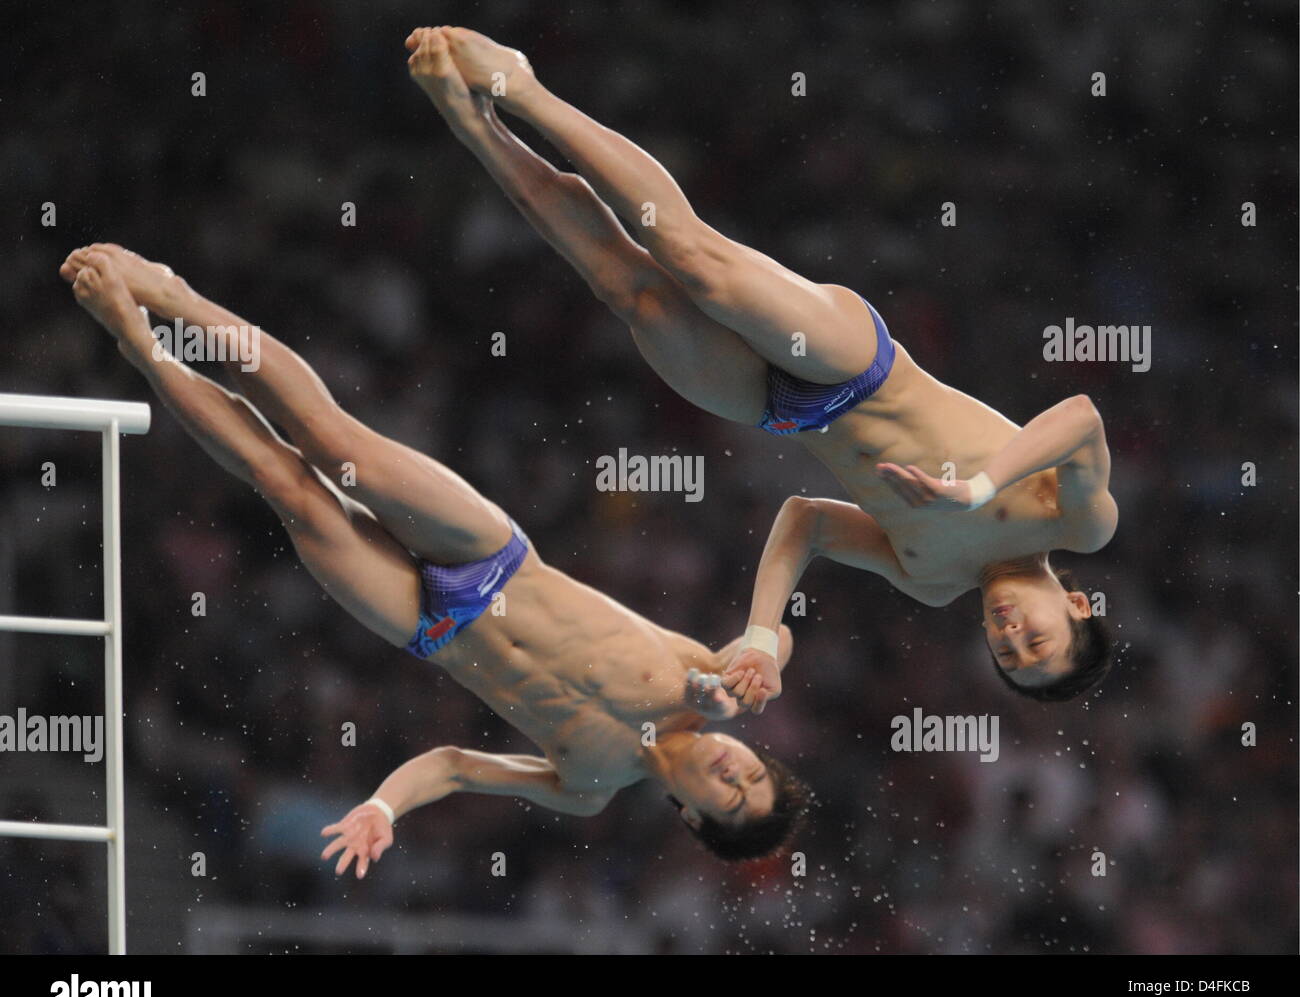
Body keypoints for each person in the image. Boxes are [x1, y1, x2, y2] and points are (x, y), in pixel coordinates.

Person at [406, 26, 1118, 710]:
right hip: (858, 366)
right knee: (691, 257)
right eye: (1038, 639)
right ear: (1076, 603)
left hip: (780, 409)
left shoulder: (932, 581)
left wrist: (756, 638)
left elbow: (806, 520)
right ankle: (522, 88)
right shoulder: (1075, 524)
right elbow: (1082, 420)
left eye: (1008, 655)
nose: (1011, 634)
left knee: (628, 289)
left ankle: (475, 127)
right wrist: (984, 485)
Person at [59, 245, 810, 874]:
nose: (736, 776)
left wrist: (384, 806)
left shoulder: (587, 786)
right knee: (330, 441)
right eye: (753, 773)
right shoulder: (720, 682)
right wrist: (755, 651)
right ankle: (175, 296)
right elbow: (777, 636)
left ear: (693, 821)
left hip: (430, 626)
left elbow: (454, 765)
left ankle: (142, 345)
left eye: (736, 799)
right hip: (494, 560)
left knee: (286, 484)